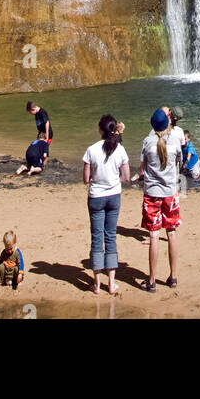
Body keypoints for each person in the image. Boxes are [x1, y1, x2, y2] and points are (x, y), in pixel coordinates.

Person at [82, 114, 130, 295]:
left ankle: (96, 284)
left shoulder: (91, 150)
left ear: (100, 130)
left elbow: (86, 179)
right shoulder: (120, 149)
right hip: (114, 196)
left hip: (96, 197)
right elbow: (125, 177)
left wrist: (98, 178)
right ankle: (111, 283)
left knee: (96, 237)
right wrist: (112, 180)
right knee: (111, 237)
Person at [138, 108, 183, 292]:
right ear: (168, 123)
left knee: (154, 235)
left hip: (152, 193)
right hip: (170, 192)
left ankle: (151, 280)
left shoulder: (148, 142)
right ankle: (172, 277)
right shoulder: (175, 141)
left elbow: (143, 168)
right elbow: (177, 162)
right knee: (171, 233)